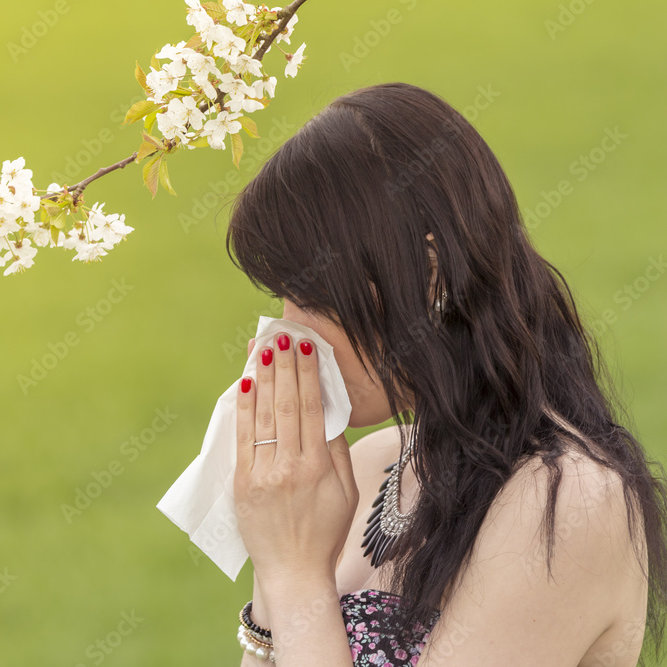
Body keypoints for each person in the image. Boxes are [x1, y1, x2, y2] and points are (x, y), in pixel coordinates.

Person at [223, 82, 666, 666]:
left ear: (431, 275)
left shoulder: (571, 505)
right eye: (282, 297)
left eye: (310, 297)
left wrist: (294, 574)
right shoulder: (369, 466)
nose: (286, 334)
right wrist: (273, 564)